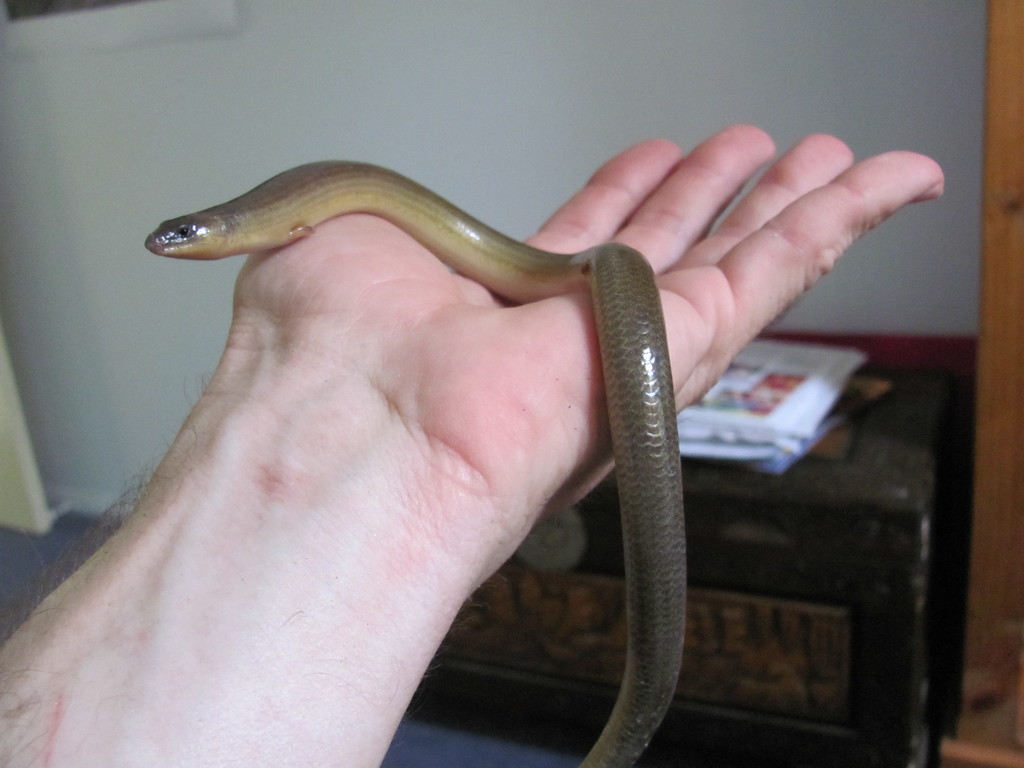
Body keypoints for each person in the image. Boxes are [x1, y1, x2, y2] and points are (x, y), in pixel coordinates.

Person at [0, 125, 943, 767]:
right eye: (183, 236)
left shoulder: (276, 217)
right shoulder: (272, 231)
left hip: (593, 275)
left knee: (615, 266)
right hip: (565, 279)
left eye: (187, 235)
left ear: (227, 230)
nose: (175, 243)